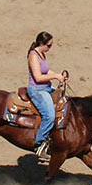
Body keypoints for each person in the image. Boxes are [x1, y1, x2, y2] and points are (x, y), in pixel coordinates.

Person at [26, 32, 67, 162]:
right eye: (49, 46)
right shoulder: (33, 55)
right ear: (41, 44)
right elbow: (38, 77)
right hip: (37, 90)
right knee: (49, 115)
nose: (50, 48)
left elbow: (46, 70)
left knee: (66, 102)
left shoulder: (41, 54)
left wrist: (58, 75)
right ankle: (39, 144)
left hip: (47, 87)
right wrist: (55, 77)